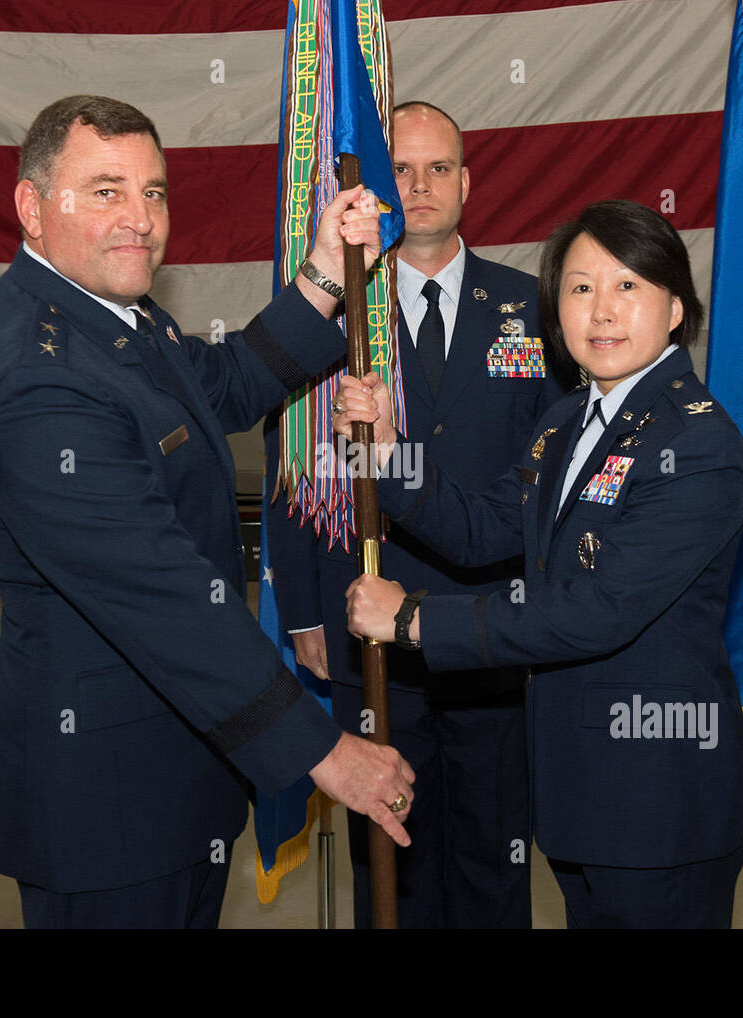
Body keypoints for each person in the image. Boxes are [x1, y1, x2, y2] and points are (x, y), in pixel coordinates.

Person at [0, 95, 414, 929]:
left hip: (172, 778)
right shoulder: (40, 379)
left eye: (154, 193)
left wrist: (318, 273)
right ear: (31, 206)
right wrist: (323, 749)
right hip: (105, 809)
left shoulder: (111, 321)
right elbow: (161, 597)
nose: (140, 220)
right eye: (105, 191)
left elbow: (223, 383)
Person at [334, 199, 743, 928]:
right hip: (578, 791)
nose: (603, 311)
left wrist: (412, 620)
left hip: (656, 802)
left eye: (628, 287)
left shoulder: (698, 445)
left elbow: (595, 610)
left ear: (676, 309)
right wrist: (391, 449)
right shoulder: (568, 421)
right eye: (580, 289)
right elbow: (483, 528)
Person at [263, 102, 568, 928]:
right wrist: (299, 612)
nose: (421, 185)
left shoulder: (533, 309)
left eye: (439, 169)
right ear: (378, 187)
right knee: (388, 850)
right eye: (401, 169)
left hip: (490, 624)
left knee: (494, 842)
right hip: (368, 619)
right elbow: (292, 460)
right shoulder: (335, 310)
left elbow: (554, 474)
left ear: (467, 183)